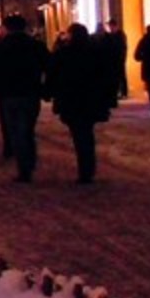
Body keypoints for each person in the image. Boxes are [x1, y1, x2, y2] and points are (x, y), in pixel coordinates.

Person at [0, 14, 50, 182]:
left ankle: (25, 166)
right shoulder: (35, 46)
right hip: (31, 92)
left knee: (16, 130)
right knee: (27, 128)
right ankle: (29, 159)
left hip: (9, 93)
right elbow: (48, 65)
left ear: (7, 28)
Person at [46, 22, 108, 183]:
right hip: (90, 98)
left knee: (79, 134)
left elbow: (53, 74)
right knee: (86, 132)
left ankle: (85, 169)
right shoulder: (95, 52)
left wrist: (48, 92)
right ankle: (88, 167)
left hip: (71, 99)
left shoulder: (64, 53)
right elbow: (105, 75)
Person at [96, 20, 128, 109]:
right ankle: (119, 93)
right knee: (116, 77)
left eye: (111, 26)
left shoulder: (119, 35)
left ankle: (123, 92)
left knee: (120, 76)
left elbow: (122, 48)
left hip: (117, 60)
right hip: (113, 61)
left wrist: (122, 58)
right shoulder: (110, 36)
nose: (110, 28)